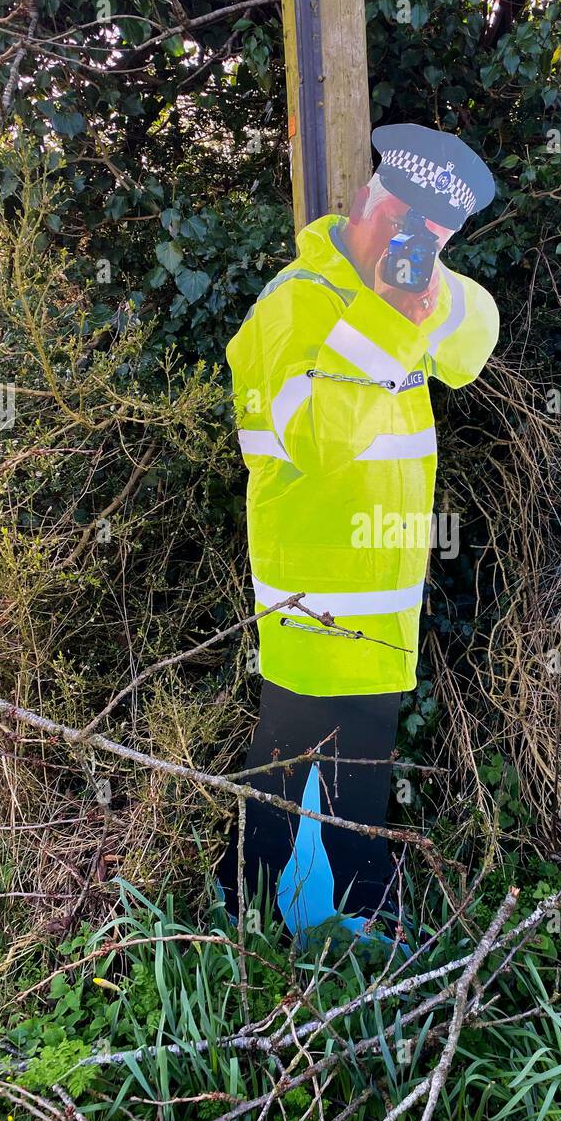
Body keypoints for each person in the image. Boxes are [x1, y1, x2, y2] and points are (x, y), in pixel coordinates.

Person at [217, 123, 499, 939]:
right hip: (310, 587)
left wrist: (428, 293)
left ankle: (363, 915)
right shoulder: (296, 300)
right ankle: (240, 908)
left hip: (384, 591)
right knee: (288, 756)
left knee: (363, 762)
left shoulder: (410, 288)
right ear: (374, 204)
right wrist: (383, 318)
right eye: (412, 230)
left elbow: (470, 349)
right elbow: (316, 441)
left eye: (438, 239)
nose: (418, 250)